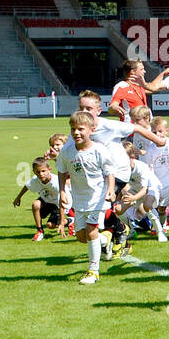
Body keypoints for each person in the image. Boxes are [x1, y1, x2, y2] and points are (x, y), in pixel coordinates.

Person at [57, 111, 116, 284]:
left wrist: (111, 190)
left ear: (92, 129)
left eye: (80, 129)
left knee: (91, 232)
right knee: (82, 237)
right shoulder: (67, 152)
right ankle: (107, 239)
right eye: (73, 129)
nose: (76, 132)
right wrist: (61, 191)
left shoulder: (99, 150)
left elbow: (109, 172)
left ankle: (93, 271)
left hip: (98, 200)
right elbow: (61, 171)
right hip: (79, 201)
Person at [15, 156, 68, 240]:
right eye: (38, 172)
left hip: (58, 204)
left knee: (50, 225)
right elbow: (27, 186)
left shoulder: (56, 183)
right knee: (35, 204)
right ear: (34, 172)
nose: (41, 174)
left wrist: (62, 221)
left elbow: (62, 202)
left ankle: (69, 221)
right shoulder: (36, 179)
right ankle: (40, 231)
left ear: (49, 169)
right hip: (47, 202)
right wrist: (18, 197)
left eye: (43, 171)